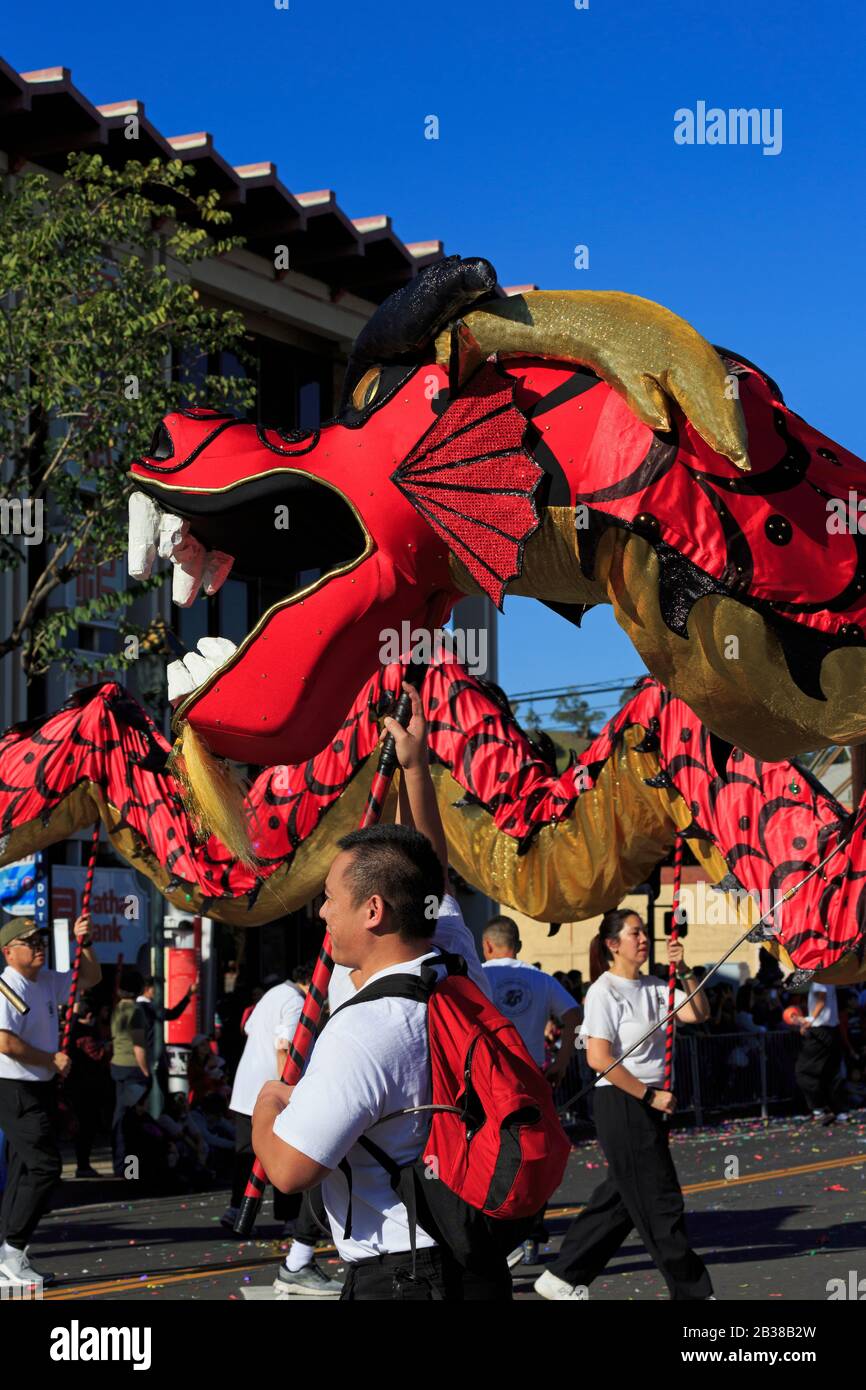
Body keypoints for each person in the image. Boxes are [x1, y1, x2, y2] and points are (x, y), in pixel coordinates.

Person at [252, 680, 511, 1301]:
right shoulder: (457, 966)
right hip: (476, 1261)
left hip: (401, 1275)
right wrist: (415, 771)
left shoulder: (365, 1029)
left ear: (372, 912)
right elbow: (431, 874)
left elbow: (289, 1171)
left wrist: (269, 1103)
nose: (321, 915)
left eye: (330, 901)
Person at [535, 907, 714, 1302]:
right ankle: (694, 1292)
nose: (644, 938)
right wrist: (649, 1095)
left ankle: (562, 1277)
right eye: (635, 933)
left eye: (645, 932)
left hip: (651, 1102)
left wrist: (683, 969)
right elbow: (598, 1058)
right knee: (661, 1200)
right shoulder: (604, 990)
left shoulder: (656, 986)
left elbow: (699, 1013)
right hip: (623, 1101)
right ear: (613, 944)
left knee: (620, 1197)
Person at [0, 912, 101, 1287]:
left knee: (25, 1169)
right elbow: (4, 1042)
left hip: (37, 1086)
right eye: (32, 943)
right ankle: (13, 1248)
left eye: (42, 941)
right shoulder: (7, 988)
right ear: (9, 952)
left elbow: (89, 978)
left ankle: (9, 1255)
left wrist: (84, 943)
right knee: (45, 1167)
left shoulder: (43, 982)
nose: (40, 948)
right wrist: (50, 1060)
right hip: (14, 1086)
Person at [224, 970, 340, 1297]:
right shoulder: (294, 1000)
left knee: (247, 1152)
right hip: (270, 1090)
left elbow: (248, 1028)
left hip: (250, 1086)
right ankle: (288, 1219)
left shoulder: (273, 993)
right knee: (282, 1153)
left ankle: (237, 1208)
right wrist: (288, 1091)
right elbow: (285, 1046)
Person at [481, 916, 581, 1082]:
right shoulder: (542, 978)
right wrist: (561, 1062)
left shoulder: (477, 976)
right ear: (519, 945)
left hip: (490, 1073)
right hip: (532, 1073)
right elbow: (574, 1015)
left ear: (487, 945)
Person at [110, 967, 150, 1177]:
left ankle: (121, 1166)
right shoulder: (136, 1011)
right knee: (131, 1123)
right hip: (132, 1067)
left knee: (120, 1118)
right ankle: (130, 1170)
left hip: (117, 1065)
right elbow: (139, 1046)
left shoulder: (117, 1008)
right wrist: (146, 1072)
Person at [67, 993, 112, 1177]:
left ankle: (83, 1164)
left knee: (88, 1127)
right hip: (85, 1086)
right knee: (86, 1127)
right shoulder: (82, 1034)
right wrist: (108, 1048)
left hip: (86, 1085)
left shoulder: (80, 1030)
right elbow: (97, 1054)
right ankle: (83, 1165)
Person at [135, 974, 197, 1102]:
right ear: (148, 989)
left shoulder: (137, 1007)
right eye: (157, 988)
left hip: (143, 1056)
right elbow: (173, 1014)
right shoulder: (148, 1007)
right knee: (158, 1094)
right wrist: (188, 996)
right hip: (152, 1056)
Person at [795, 980, 848, 1123]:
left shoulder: (820, 979)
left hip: (821, 1031)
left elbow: (821, 1000)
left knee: (803, 1071)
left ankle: (819, 1108)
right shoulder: (830, 978)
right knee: (830, 1073)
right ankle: (838, 1111)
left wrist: (810, 1020)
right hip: (832, 1030)